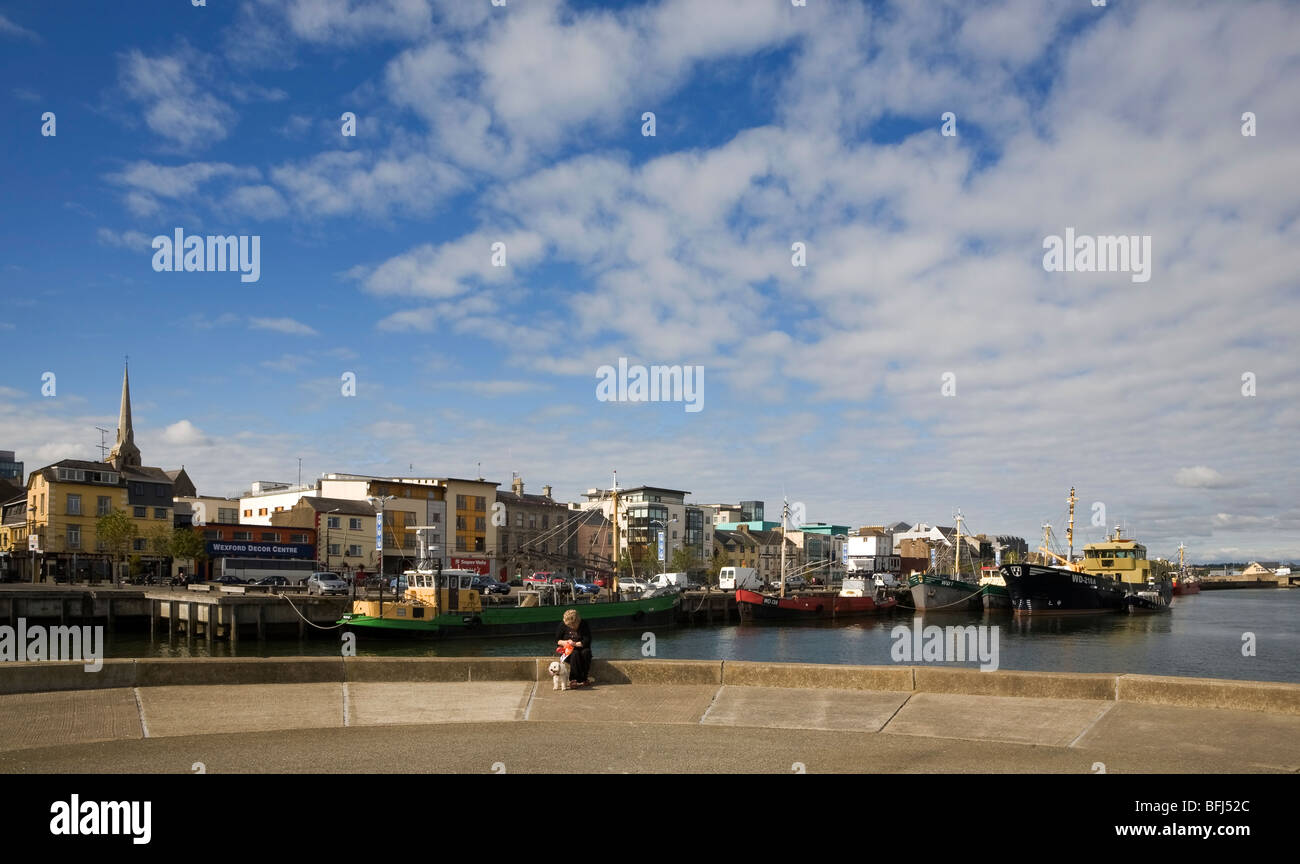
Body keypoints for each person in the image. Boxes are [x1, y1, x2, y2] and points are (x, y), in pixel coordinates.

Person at [555, 609, 593, 687]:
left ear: (577, 622)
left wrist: (574, 644)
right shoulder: (563, 625)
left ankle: (584, 678)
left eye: (572, 625)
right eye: (569, 626)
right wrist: (565, 642)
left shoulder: (584, 624)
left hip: (581, 647)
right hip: (568, 650)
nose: (571, 627)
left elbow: (587, 641)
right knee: (575, 653)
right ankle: (573, 679)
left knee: (586, 653)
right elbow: (557, 640)